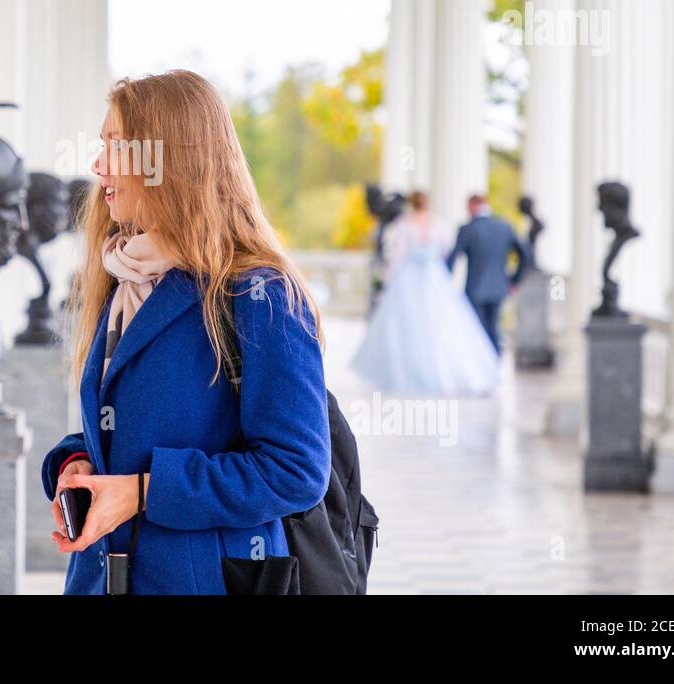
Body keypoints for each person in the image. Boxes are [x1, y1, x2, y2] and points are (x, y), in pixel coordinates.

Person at [41, 70, 330, 595]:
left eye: (114, 147)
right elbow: (129, 430)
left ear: (165, 162)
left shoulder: (259, 295)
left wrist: (144, 492)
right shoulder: (124, 276)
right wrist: (75, 461)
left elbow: (296, 471)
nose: (97, 165)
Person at [349, 191, 501, 396]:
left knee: (407, 326)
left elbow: (399, 254)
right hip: (433, 275)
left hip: (409, 276)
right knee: (441, 323)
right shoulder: (439, 224)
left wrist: (387, 280)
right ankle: (441, 371)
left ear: (411, 204)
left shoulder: (404, 224)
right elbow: (446, 250)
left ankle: (411, 372)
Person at [446, 193, 530, 354]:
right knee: (494, 327)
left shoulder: (468, 228)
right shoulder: (504, 226)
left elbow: (453, 258)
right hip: (500, 286)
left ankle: (482, 366)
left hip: (475, 287)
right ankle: (494, 365)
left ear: (472, 206)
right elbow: (525, 254)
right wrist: (514, 280)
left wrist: (443, 281)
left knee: (477, 330)